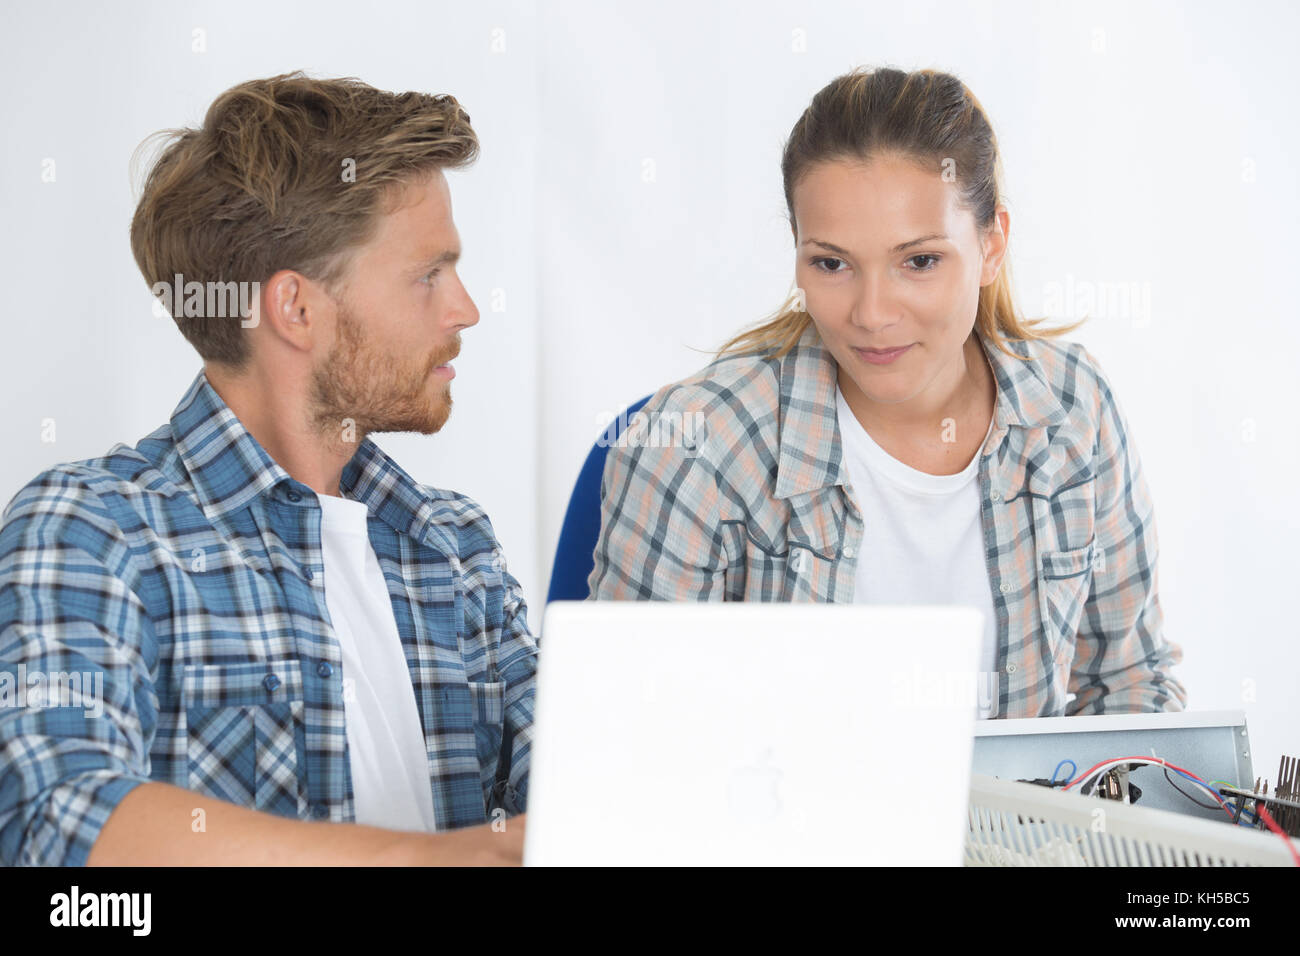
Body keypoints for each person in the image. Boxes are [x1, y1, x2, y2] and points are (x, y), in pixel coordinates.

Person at [0, 73, 531, 865]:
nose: (464, 309)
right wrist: (423, 860)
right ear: (296, 310)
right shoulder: (93, 529)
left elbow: (576, 791)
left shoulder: (452, 543)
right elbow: (52, 820)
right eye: (428, 274)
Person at [589, 66, 1188, 720]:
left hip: (1022, 827)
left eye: (919, 261)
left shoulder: (1076, 407)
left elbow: (1133, 689)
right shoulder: (697, 444)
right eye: (832, 263)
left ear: (992, 247)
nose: (871, 314)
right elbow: (626, 741)